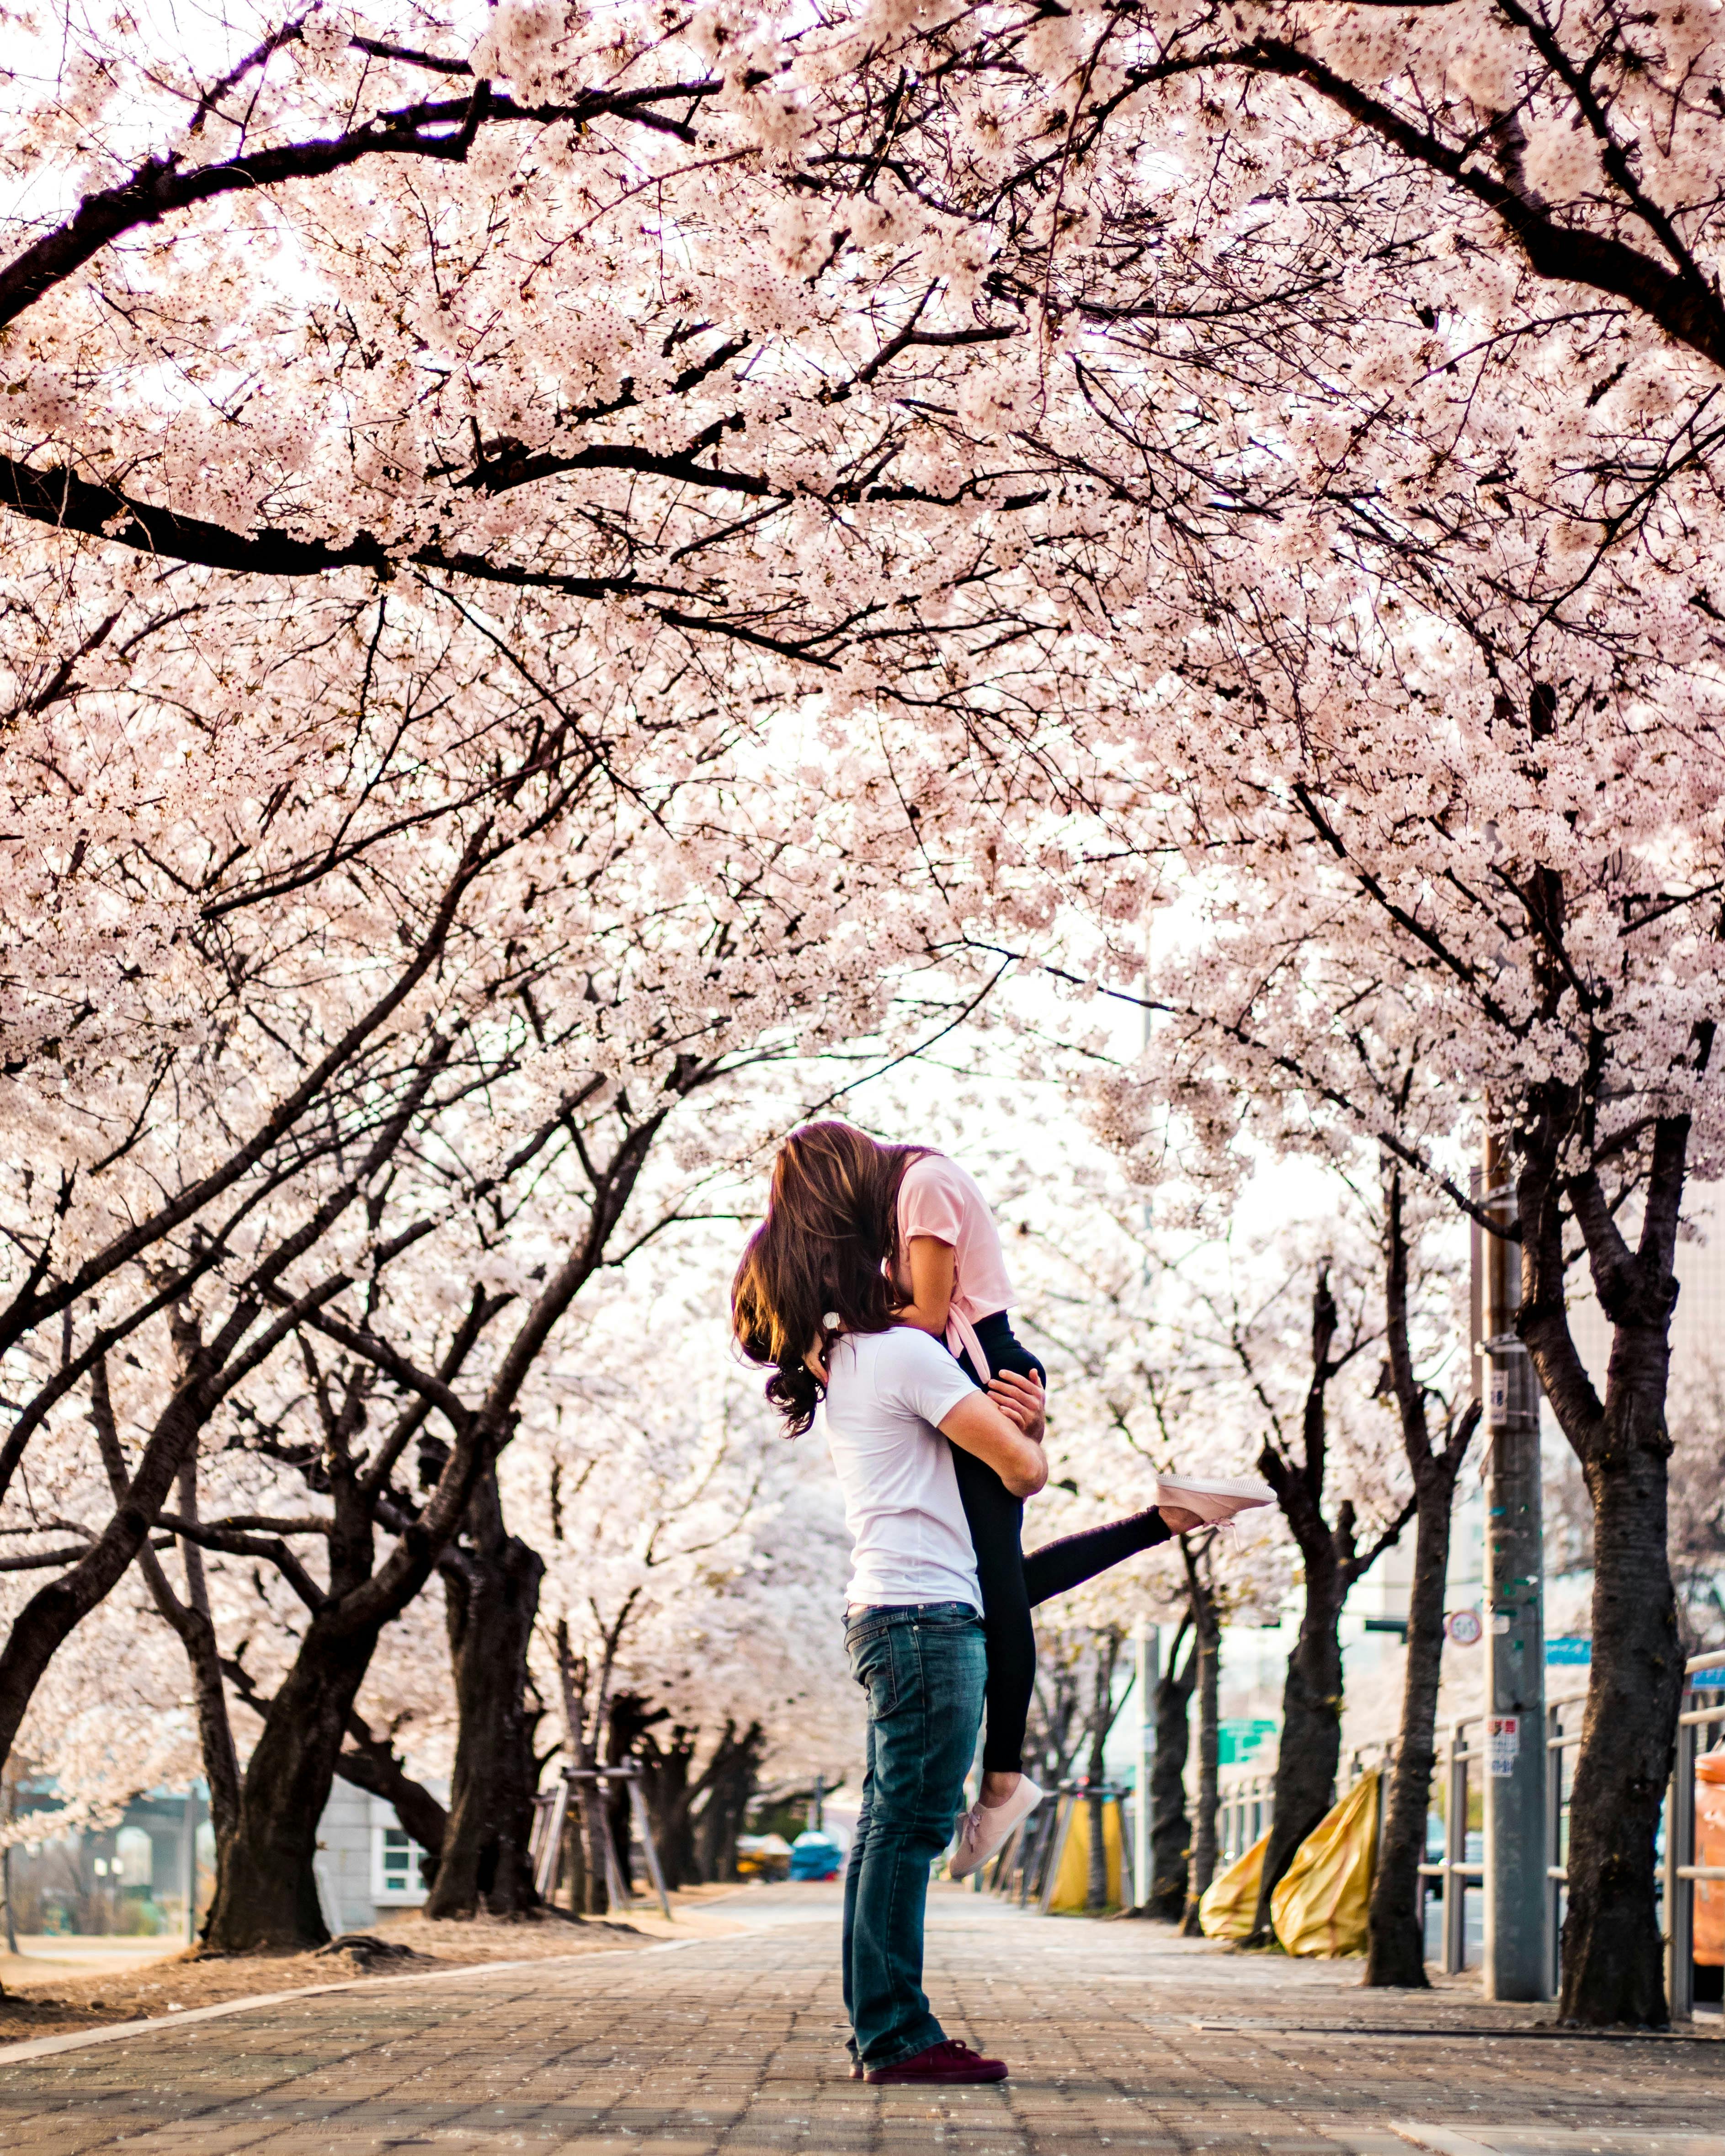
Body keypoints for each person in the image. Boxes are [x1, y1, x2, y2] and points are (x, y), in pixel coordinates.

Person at [745, 1123, 1270, 1882]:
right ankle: (1167, 1518)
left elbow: (926, 1316)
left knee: (997, 1589)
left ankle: (1004, 1775)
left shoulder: (920, 1183)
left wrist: (837, 1328)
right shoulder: (904, 1203)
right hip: (972, 1367)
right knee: (997, 1581)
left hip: (982, 1363)